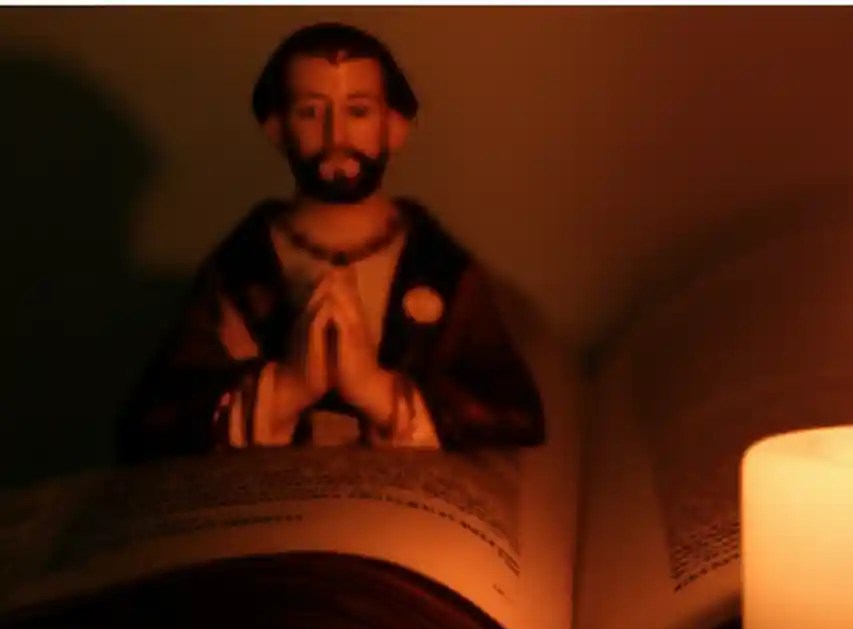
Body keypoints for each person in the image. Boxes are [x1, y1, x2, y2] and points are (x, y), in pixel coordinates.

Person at [117, 22, 545, 463]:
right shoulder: (242, 269)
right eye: (310, 112)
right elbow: (155, 418)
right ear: (277, 127)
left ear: (395, 126)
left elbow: (512, 410)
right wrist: (289, 389)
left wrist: (375, 391)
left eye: (357, 112)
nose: (336, 137)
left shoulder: (439, 268)